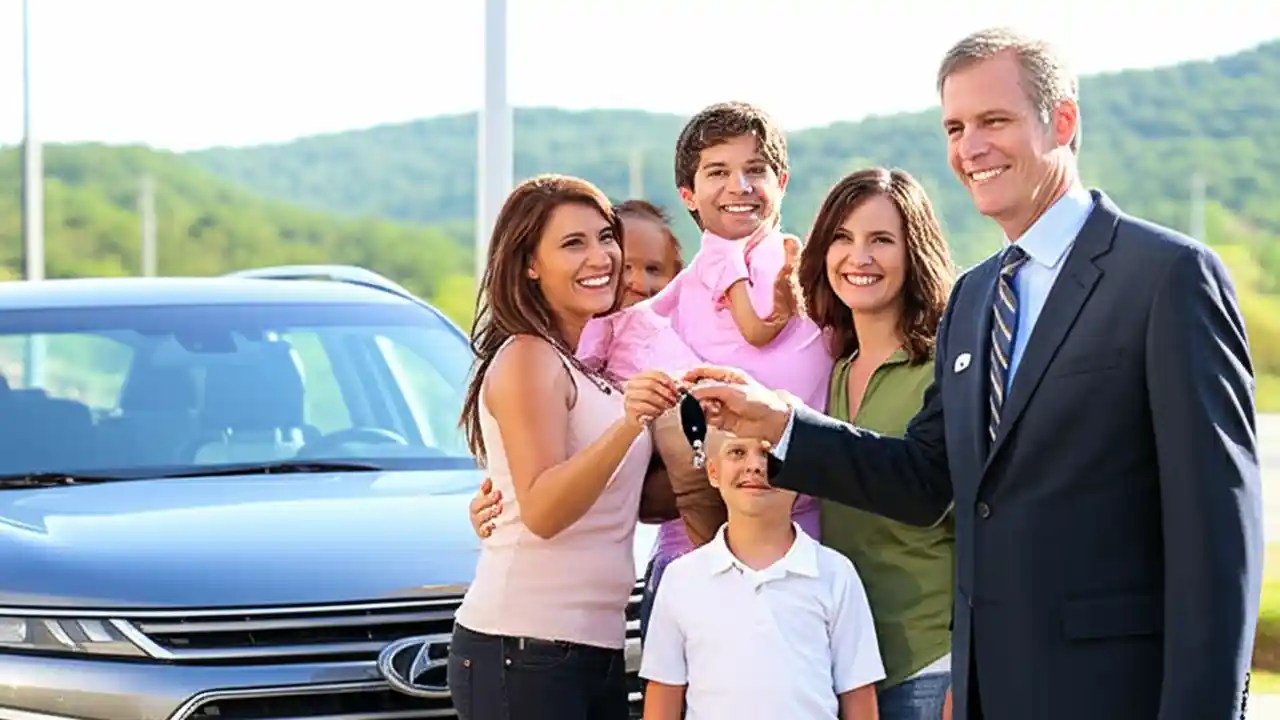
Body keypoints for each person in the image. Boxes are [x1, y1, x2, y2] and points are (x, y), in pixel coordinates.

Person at [683, 27, 1263, 720]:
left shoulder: (1167, 278)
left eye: (994, 121)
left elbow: (1219, 533)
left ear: (1064, 122)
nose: (970, 148)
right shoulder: (975, 298)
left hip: (1117, 692)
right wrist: (782, 425)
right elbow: (929, 481)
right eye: (955, 127)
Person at [450, 174, 683, 720]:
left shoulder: (588, 367)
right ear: (530, 263)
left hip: (587, 651)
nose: (601, 256)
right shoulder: (529, 356)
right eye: (572, 244)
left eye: (605, 237)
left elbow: (635, 498)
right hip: (524, 649)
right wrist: (629, 424)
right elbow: (544, 511)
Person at [797, 167, 957, 719]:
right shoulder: (832, 370)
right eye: (842, 238)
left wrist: (971, 668)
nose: (857, 257)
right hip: (843, 670)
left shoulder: (944, 370)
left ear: (915, 254)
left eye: (881, 240)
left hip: (930, 664)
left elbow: (989, 529)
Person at [639, 426, 884, 719]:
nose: (755, 466)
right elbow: (663, 695)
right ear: (713, 472)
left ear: (800, 475)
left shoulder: (834, 573)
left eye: (770, 453)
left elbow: (858, 694)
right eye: (737, 452)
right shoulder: (682, 579)